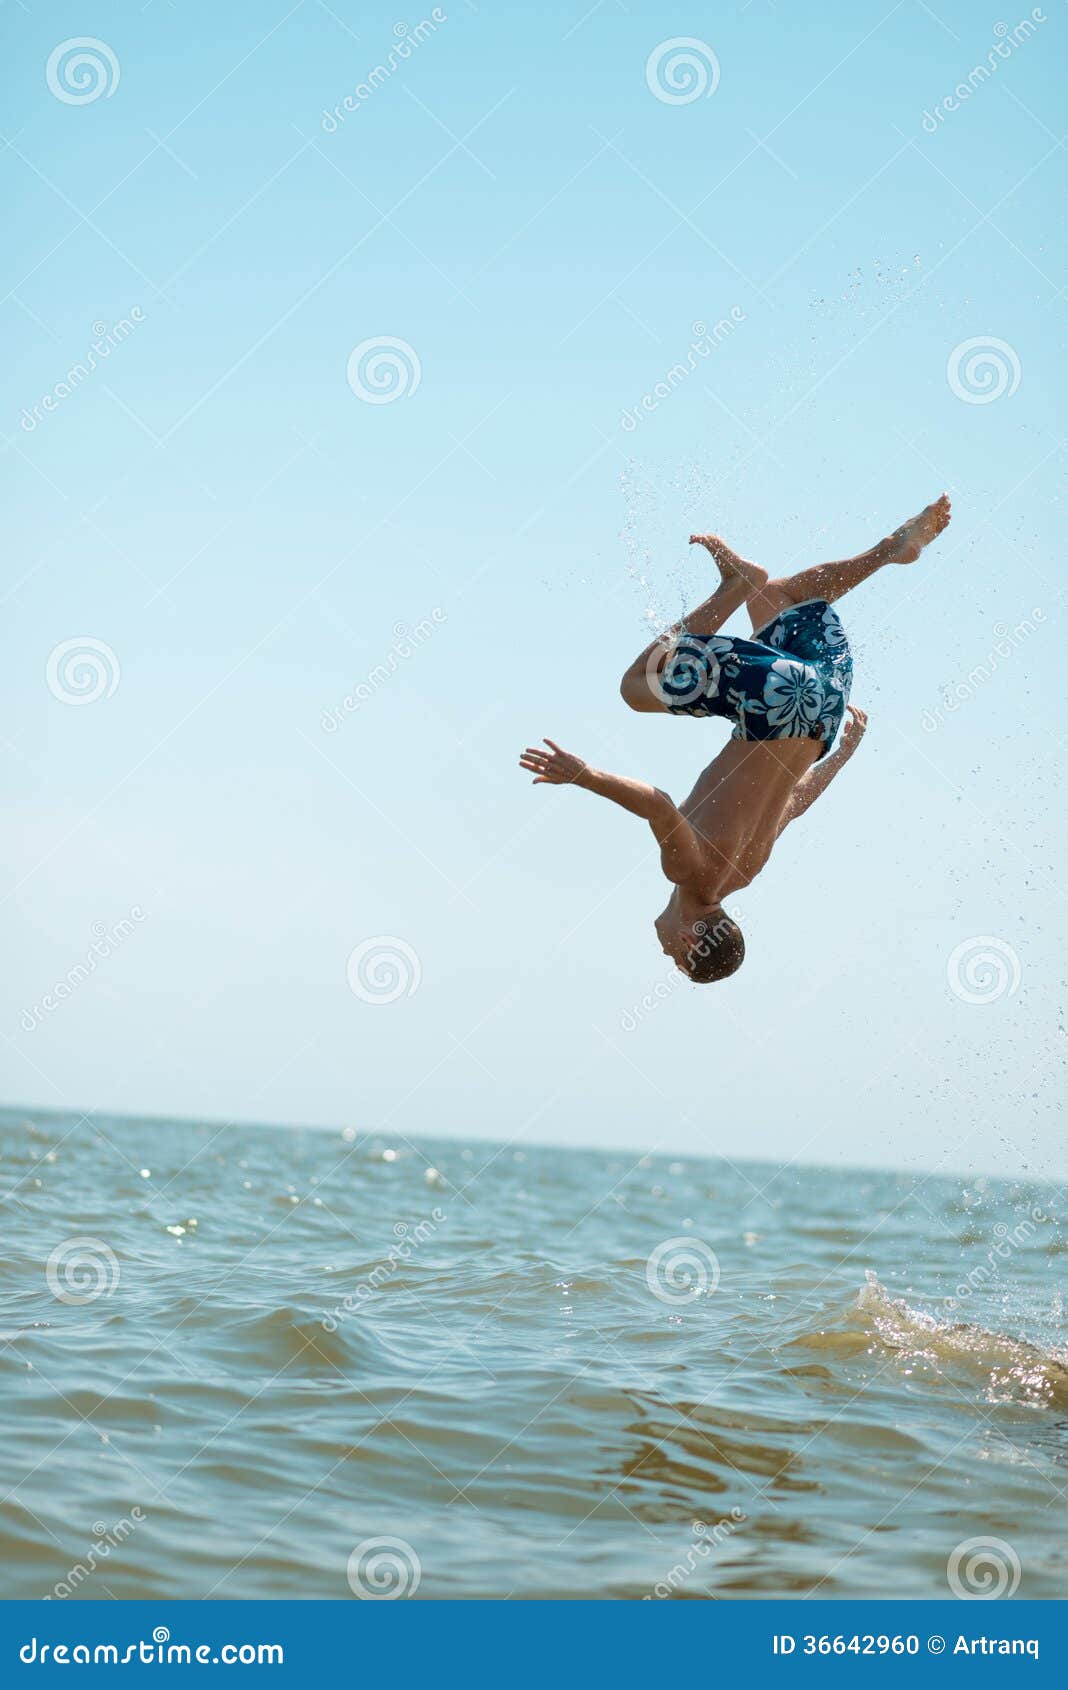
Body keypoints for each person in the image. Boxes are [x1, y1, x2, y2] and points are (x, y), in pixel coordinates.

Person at [519, 495, 951, 982]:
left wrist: (843, 753)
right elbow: (658, 805)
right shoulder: (689, 875)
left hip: (823, 715)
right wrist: (584, 776)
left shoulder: (748, 870)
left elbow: (797, 799)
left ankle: (888, 550)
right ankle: (735, 584)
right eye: (676, 958)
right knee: (637, 686)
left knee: (780, 600)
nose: (667, 953)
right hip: (775, 703)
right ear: (692, 939)